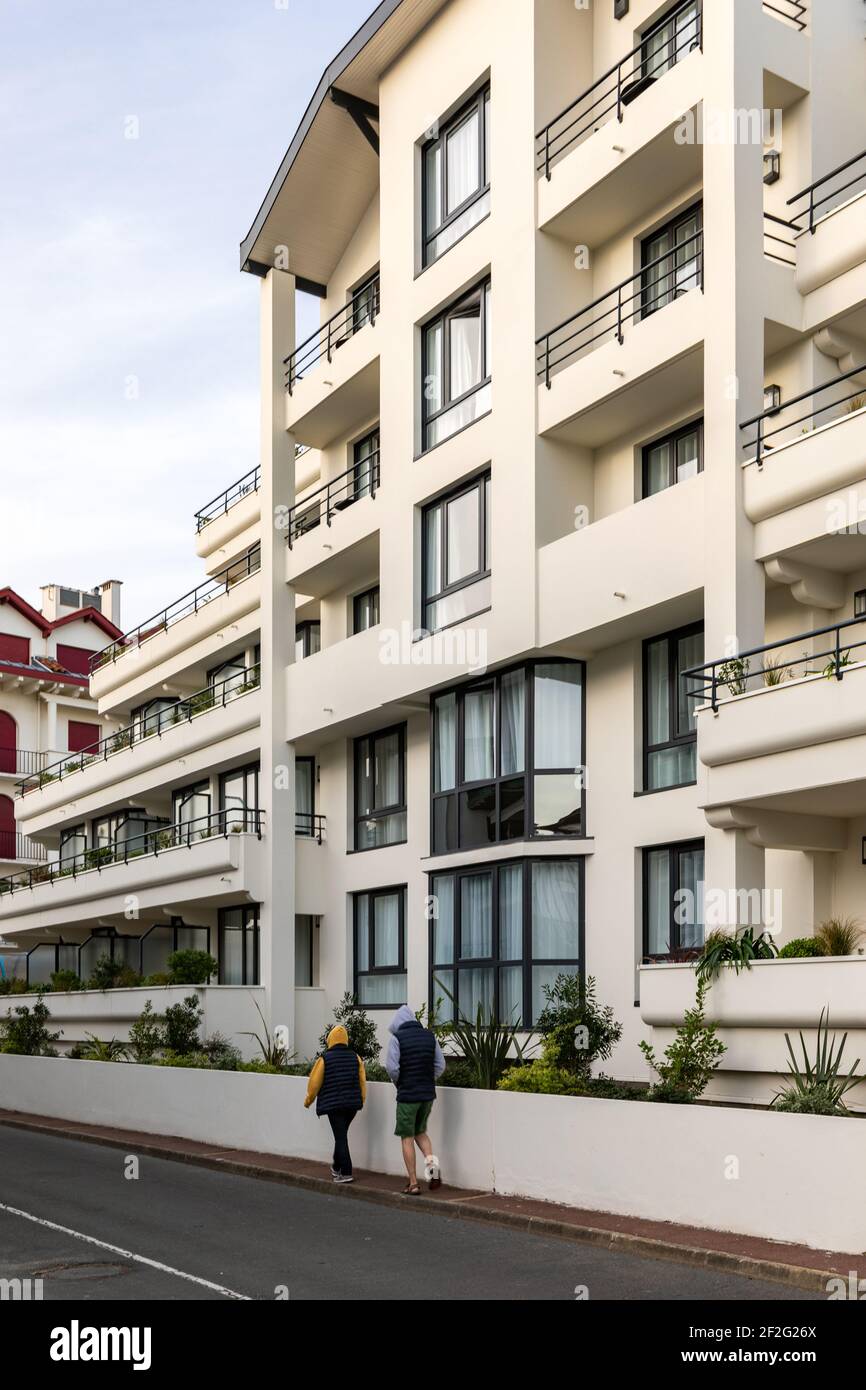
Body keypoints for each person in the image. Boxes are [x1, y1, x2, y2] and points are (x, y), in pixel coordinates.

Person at [385, 1004, 445, 1196]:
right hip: (427, 1095)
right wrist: (428, 1079)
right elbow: (440, 1065)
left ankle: (413, 1183)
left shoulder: (397, 1038)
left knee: (407, 1137)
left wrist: (399, 1082)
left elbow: (392, 1068)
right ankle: (433, 1172)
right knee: (421, 1132)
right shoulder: (429, 1036)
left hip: (408, 1095)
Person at [304, 1024, 366, 1184]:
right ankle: (336, 1166)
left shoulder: (324, 1058)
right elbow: (362, 1082)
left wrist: (308, 1101)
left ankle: (346, 1172)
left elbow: (314, 1084)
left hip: (334, 1105)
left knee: (340, 1138)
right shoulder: (356, 1057)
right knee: (341, 1136)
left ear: (330, 1039)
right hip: (352, 1106)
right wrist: (361, 1100)